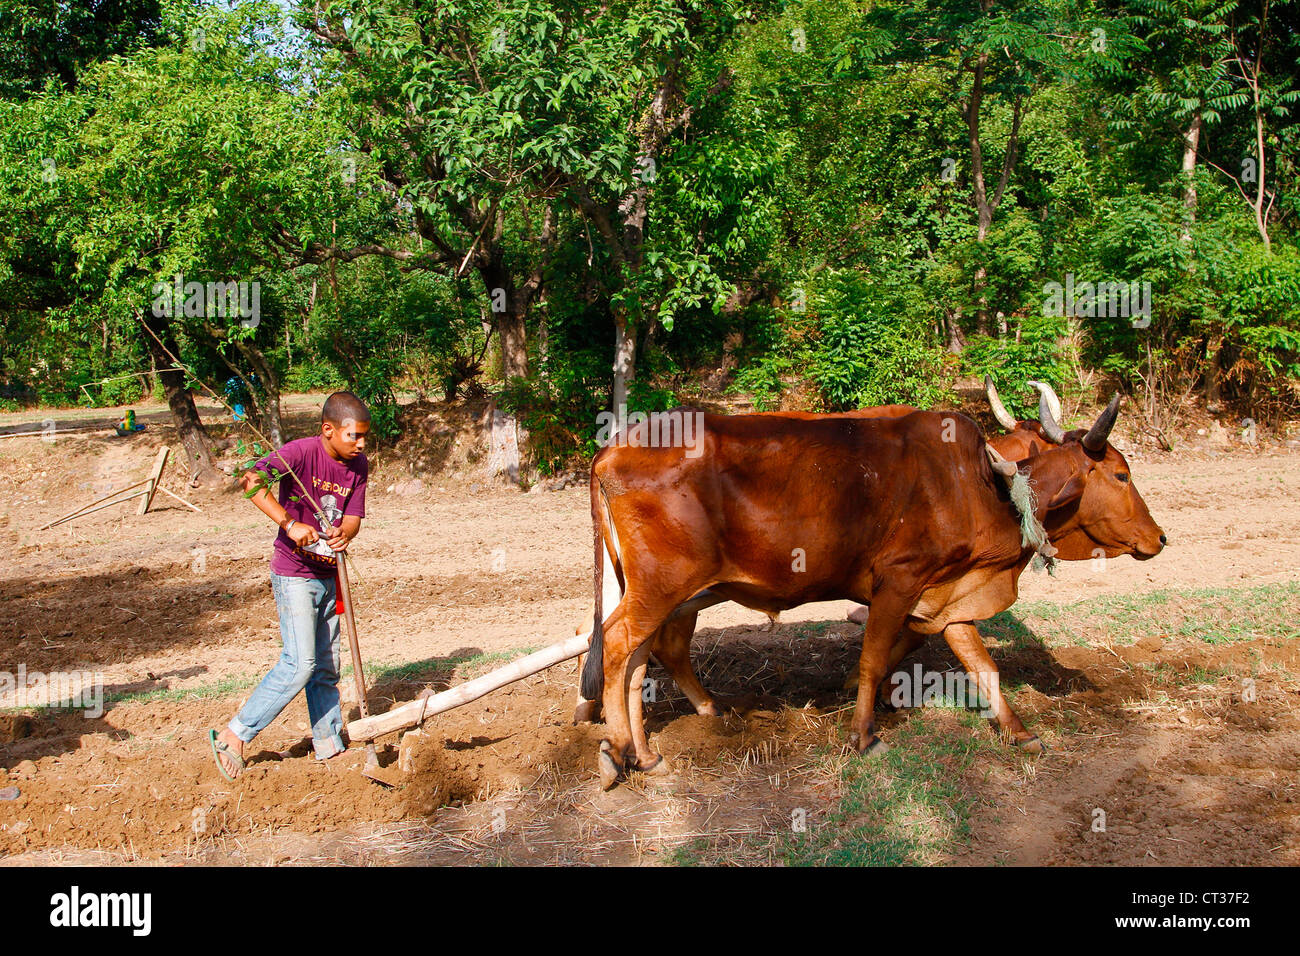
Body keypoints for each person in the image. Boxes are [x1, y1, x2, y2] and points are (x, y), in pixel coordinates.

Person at [209, 391, 371, 780]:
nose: (362, 444)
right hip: (294, 573)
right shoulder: (299, 453)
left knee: (327, 665)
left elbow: (353, 517)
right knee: (300, 664)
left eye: (365, 436)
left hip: (331, 574)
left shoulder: (358, 464)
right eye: (354, 436)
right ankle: (234, 735)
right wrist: (289, 522)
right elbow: (251, 481)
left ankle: (328, 744)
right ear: (328, 430)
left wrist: (342, 535)